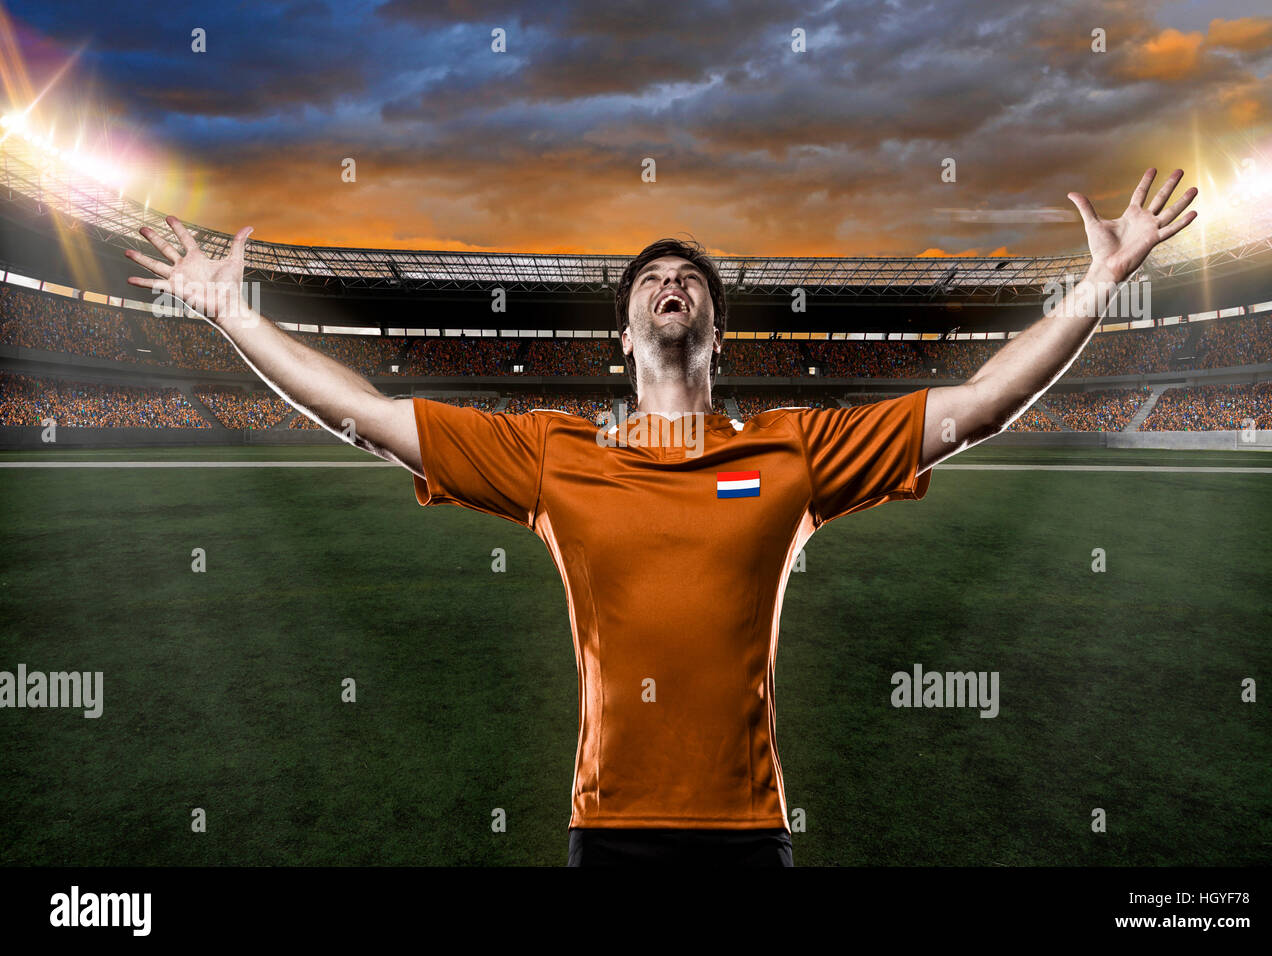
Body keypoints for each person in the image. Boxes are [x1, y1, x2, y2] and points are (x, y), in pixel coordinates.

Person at [126, 168, 1197, 865]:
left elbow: (975, 407)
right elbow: (361, 411)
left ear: (718, 336)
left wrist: (1098, 283)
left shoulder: (793, 449)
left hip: (750, 830)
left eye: (690, 277)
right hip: (608, 829)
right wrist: (228, 311)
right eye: (651, 278)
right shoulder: (554, 452)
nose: (670, 279)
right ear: (623, 338)